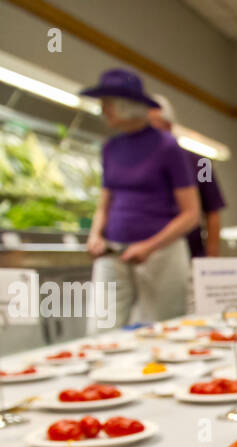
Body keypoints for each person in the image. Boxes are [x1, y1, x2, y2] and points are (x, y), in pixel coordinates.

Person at [81, 69, 199, 326]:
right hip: (114, 252)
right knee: (102, 327)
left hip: (160, 254)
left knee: (162, 327)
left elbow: (191, 213)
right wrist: (95, 235)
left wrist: (150, 245)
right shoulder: (110, 148)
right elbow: (105, 204)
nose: (103, 111)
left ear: (127, 105)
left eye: (108, 104)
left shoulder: (167, 147)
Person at [149, 93, 226, 259]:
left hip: (189, 251)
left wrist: (212, 254)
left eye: (152, 126)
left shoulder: (201, 164)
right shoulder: (140, 165)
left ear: (168, 126)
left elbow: (212, 211)